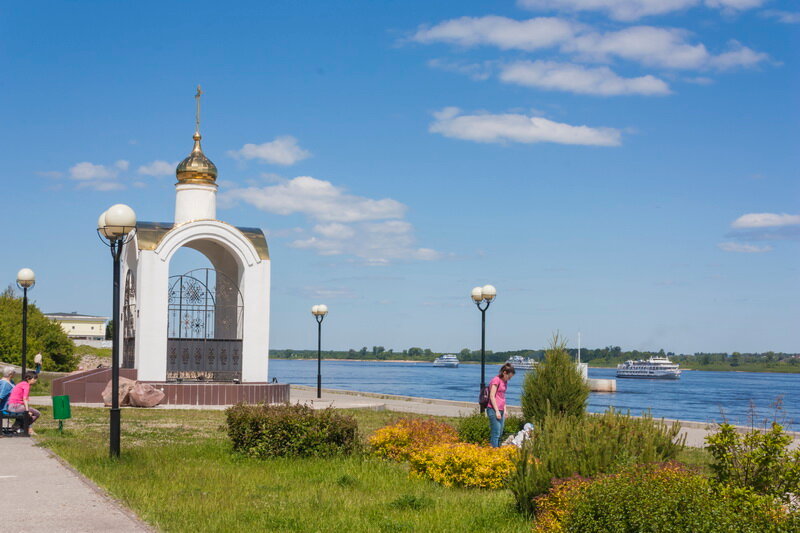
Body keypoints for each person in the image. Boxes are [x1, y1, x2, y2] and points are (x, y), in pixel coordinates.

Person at [486, 363, 515, 447]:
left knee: (500, 432)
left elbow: (502, 397)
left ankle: (498, 451)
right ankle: (494, 453)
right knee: (496, 432)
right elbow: (492, 396)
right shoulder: (496, 380)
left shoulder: (504, 382)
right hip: (493, 409)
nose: (509, 379)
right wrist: (497, 411)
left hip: (501, 409)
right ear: (504, 372)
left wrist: (505, 410)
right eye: (509, 376)